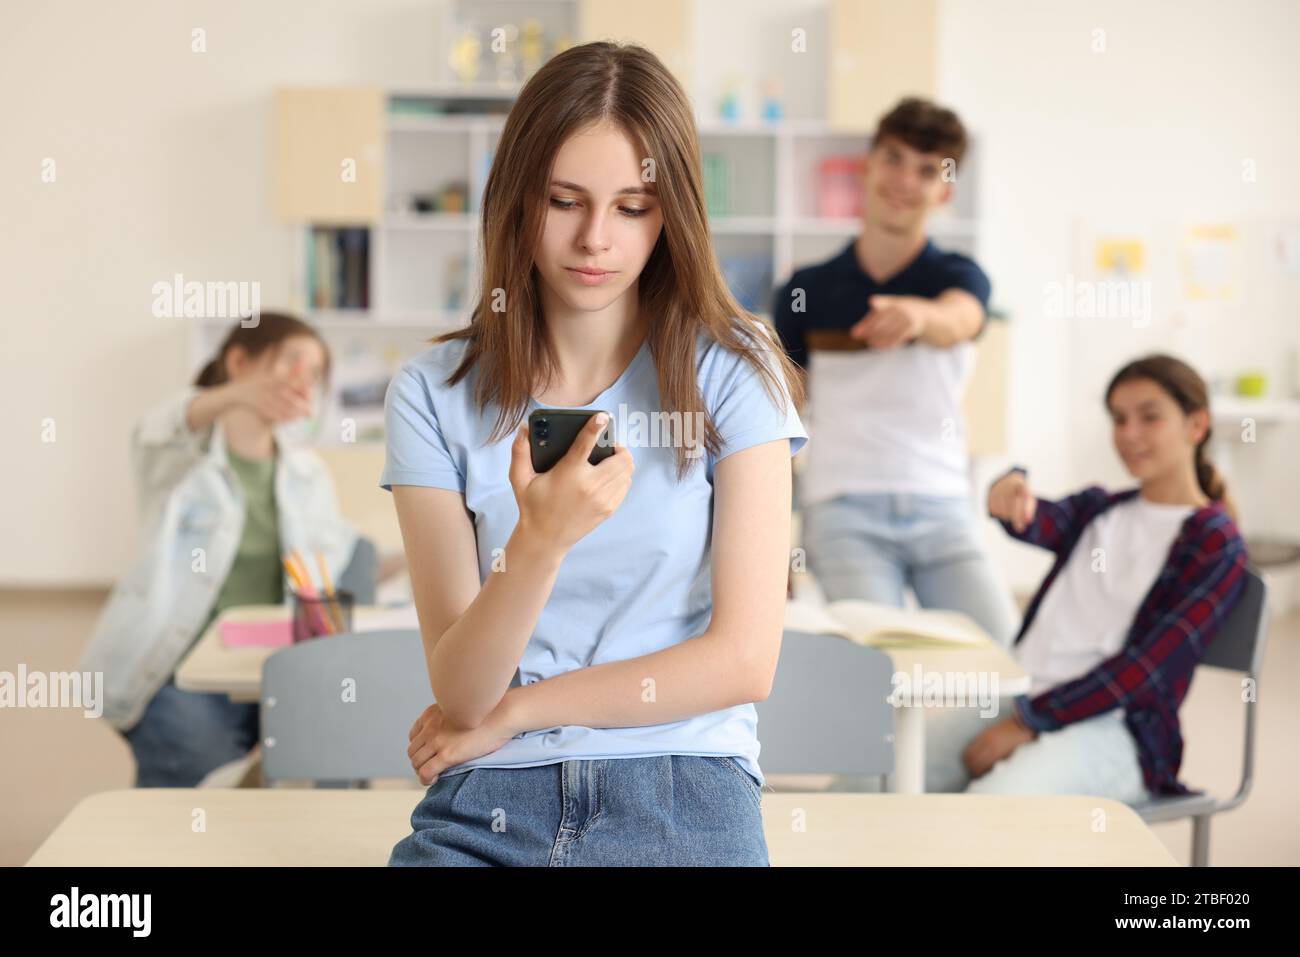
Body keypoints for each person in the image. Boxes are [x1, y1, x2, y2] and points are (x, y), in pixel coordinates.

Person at [381, 41, 808, 867]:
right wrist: (538, 542)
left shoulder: (735, 369)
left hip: (685, 783)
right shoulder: (431, 390)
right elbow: (463, 692)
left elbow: (745, 661)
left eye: (633, 206)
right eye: (565, 200)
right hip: (489, 796)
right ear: (516, 199)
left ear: (673, 211)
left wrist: (520, 711)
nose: (594, 240)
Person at [924, 354, 1249, 800]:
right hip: (1024, 696)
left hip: (1116, 731)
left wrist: (1030, 723)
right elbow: (1033, 517)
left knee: (991, 812)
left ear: (1197, 426)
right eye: (1118, 419)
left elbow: (1149, 668)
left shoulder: (1215, 542)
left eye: (1149, 417)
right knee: (877, 775)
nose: (1128, 434)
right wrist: (1009, 487)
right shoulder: (1100, 509)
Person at [774, 97, 1019, 646]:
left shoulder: (958, 277)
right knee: (880, 667)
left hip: (942, 510)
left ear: (946, 191)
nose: (905, 179)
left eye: (927, 170)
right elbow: (781, 422)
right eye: (894, 158)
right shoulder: (804, 291)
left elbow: (962, 317)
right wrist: (772, 544)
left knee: (1003, 658)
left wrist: (919, 316)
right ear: (867, 164)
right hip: (842, 512)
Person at [78, 312, 360, 786]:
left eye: (314, 373)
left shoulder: (307, 475)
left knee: (333, 757)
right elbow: (156, 429)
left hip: (269, 669)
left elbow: (330, 560)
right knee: (192, 774)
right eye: (292, 362)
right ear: (238, 361)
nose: (303, 381)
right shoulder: (178, 461)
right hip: (183, 670)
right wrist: (236, 396)